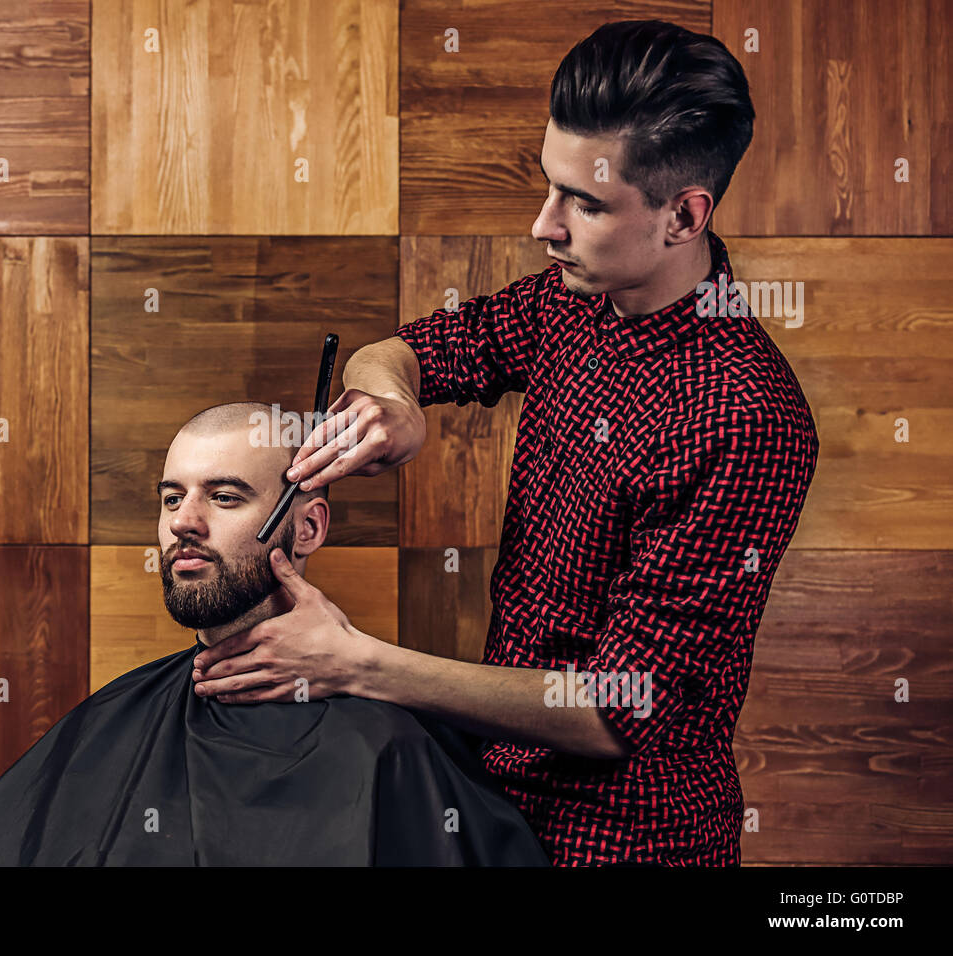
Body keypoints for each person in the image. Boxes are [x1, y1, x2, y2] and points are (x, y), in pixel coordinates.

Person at [190, 20, 819, 866]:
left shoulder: (746, 416)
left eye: (585, 204)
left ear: (683, 215)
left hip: (626, 837)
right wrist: (392, 401)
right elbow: (403, 350)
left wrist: (356, 664)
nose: (544, 225)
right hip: (494, 798)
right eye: (550, 187)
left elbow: (616, 711)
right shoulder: (571, 303)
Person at [0, 402, 549, 866]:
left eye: (224, 496)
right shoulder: (114, 716)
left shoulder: (386, 749)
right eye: (170, 499)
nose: (183, 523)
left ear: (306, 528)